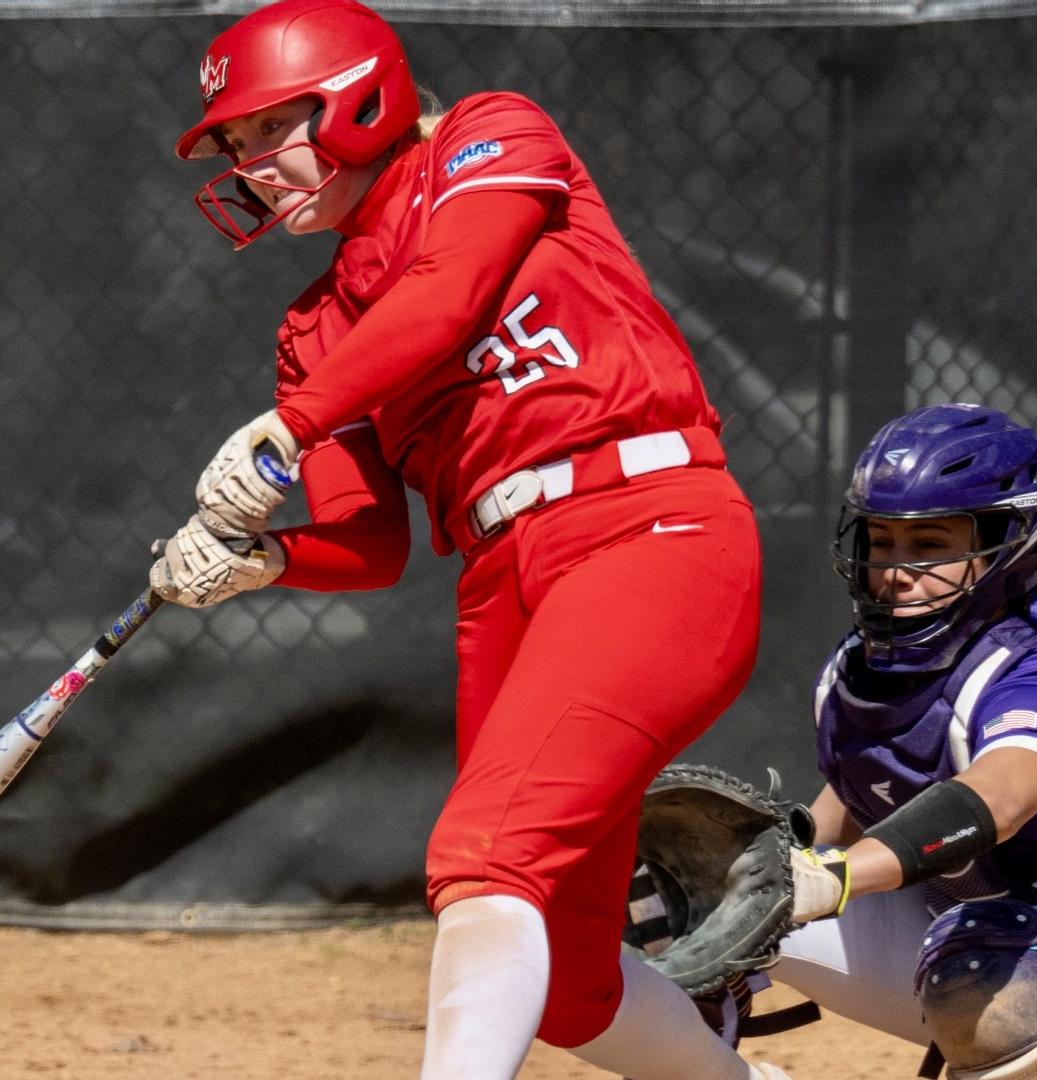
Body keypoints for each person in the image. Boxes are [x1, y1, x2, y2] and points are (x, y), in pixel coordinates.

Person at [147, 2, 779, 1076]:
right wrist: (267, 561)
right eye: (237, 148)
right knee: (572, 983)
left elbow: (446, 298)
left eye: (270, 130)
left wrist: (286, 431)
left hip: (647, 527)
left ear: (362, 97)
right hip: (502, 583)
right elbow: (370, 543)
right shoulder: (315, 328)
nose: (254, 166)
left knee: (485, 856)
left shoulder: (491, 136)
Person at [763, 403, 1037, 1079]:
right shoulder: (861, 677)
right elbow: (860, 799)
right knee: (734, 912)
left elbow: (993, 800)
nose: (896, 569)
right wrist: (772, 862)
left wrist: (832, 877)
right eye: (883, 541)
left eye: (930, 545)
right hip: (1006, 954)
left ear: (1012, 544)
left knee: (977, 960)